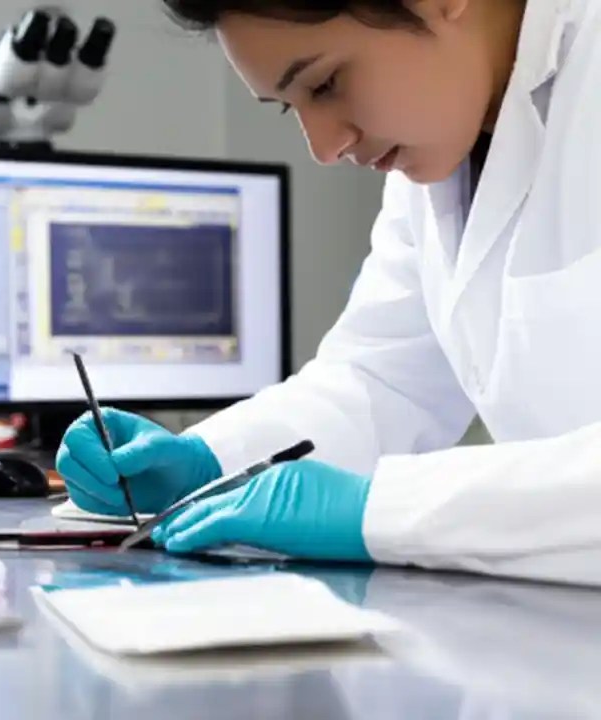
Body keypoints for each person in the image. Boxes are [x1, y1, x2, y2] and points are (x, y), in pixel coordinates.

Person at [57, 0, 601, 586]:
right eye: (289, 108)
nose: (324, 146)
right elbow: (381, 381)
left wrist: (383, 511)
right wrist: (210, 464)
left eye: (327, 83)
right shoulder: (436, 151)